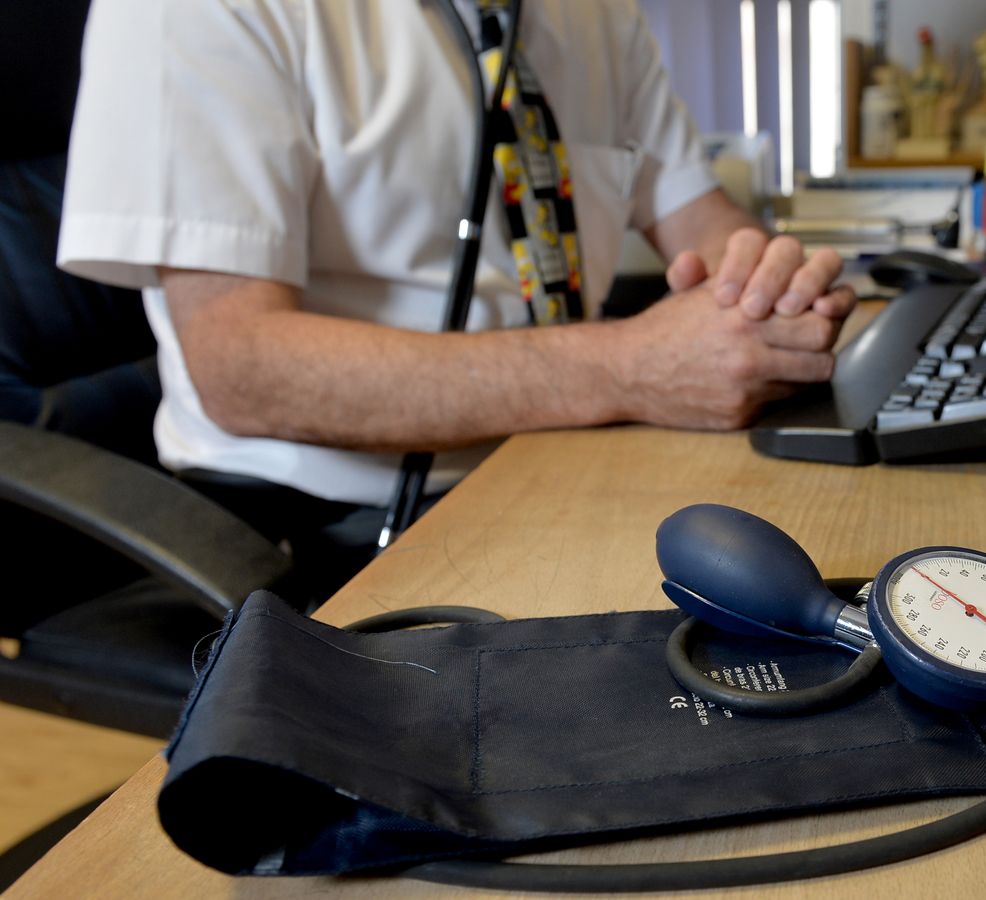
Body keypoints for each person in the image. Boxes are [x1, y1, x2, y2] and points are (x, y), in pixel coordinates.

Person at [57, 0, 854, 595]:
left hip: (567, 456)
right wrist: (627, 368)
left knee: (840, 578)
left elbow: (704, 219)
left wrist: (765, 287)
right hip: (323, 529)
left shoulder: (594, 14)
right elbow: (238, 365)